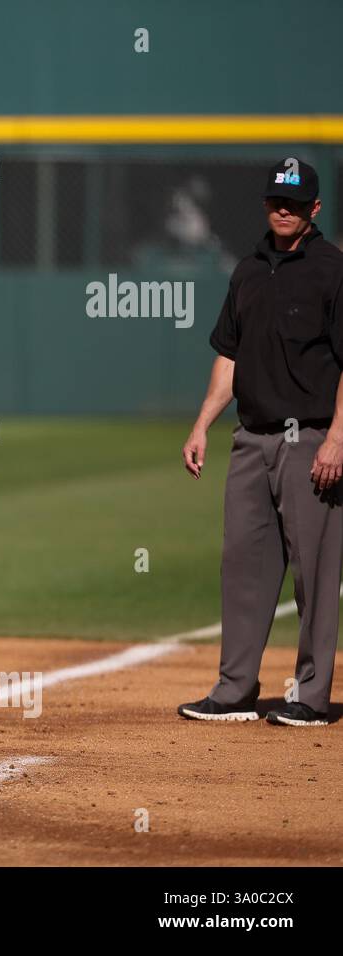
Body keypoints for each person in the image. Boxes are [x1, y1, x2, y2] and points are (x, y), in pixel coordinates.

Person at [180, 157, 343, 727]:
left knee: (316, 576)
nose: (283, 209)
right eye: (276, 199)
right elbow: (229, 352)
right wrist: (203, 422)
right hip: (251, 439)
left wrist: (338, 439)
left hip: (312, 442)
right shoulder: (248, 270)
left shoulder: (332, 268)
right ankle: (234, 690)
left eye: (295, 202)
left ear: (314, 209)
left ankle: (313, 697)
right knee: (243, 569)